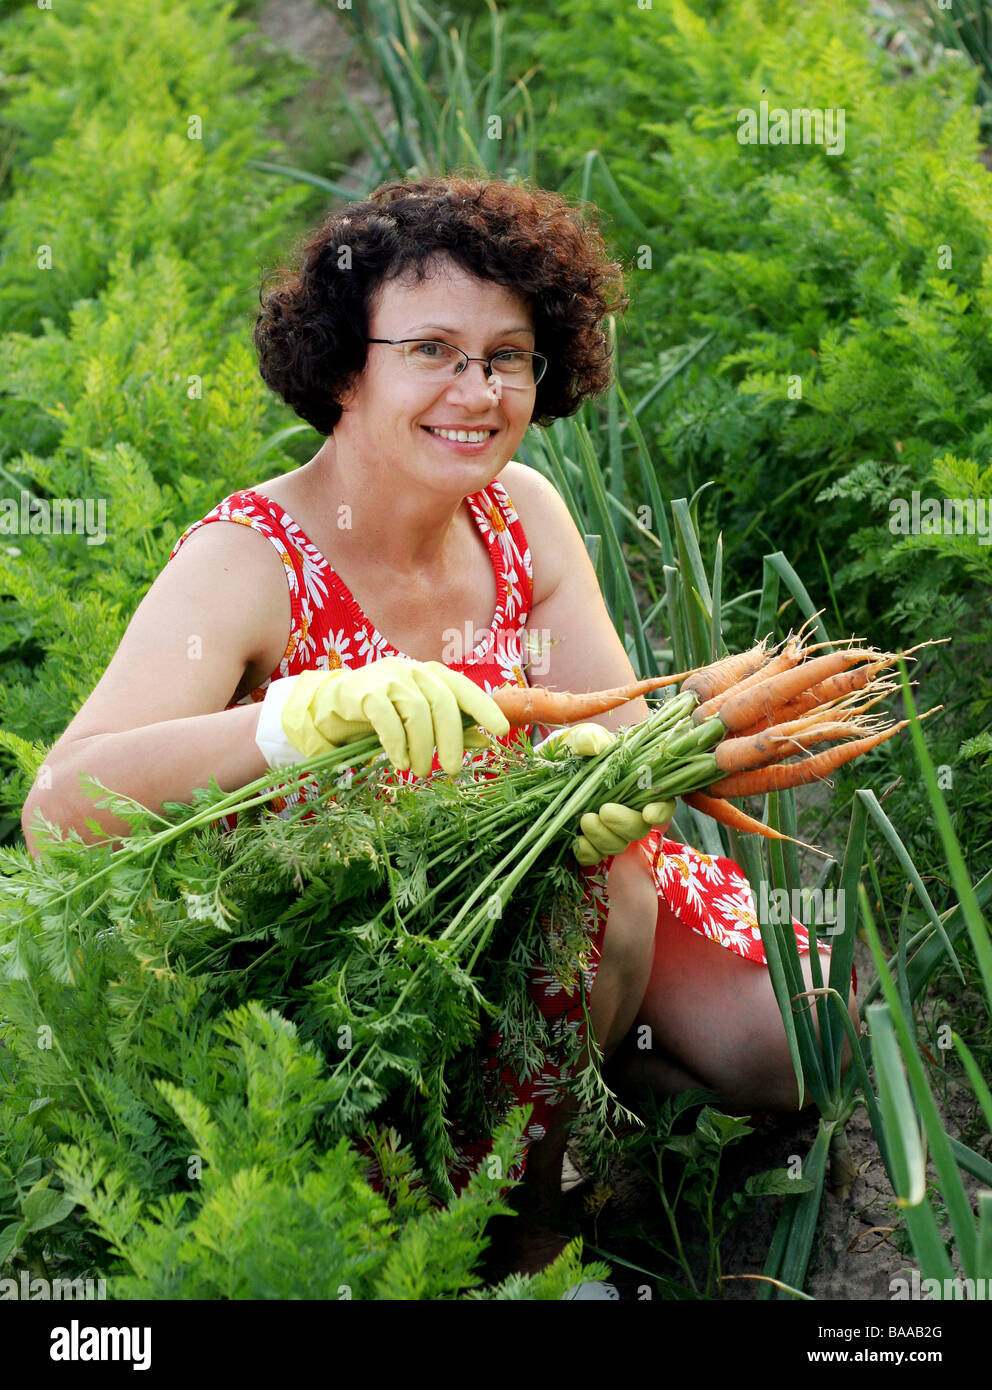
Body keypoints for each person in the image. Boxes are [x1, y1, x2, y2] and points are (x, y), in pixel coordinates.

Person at [21, 173, 858, 1279]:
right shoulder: (247, 565)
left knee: (796, 1040)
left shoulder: (523, 516)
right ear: (342, 365)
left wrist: (604, 771)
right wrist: (293, 720)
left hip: (538, 904)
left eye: (505, 356)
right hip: (360, 952)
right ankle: (534, 1234)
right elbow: (60, 809)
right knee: (591, 907)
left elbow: (610, 717)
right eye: (429, 351)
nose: (475, 391)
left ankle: (589, 1085)